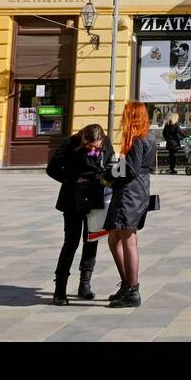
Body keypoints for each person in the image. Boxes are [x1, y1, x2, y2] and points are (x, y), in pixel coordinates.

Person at [47, 123, 113, 305]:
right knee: (71, 242)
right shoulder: (70, 143)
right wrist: (72, 179)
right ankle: (59, 289)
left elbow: (108, 163)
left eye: (97, 146)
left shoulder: (106, 144)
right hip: (73, 198)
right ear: (83, 139)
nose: (94, 149)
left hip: (94, 196)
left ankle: (85, 284)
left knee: (91, 240)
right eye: (91, 146)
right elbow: (51, 169)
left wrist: (105, 175)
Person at [104, 102, 155, 309]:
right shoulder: (149, 136)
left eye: (125, 115)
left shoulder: (137, 139)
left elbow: (131, 170)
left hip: (130, 192)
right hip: (138, 189)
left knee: (128, 239)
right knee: (114, 237)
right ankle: (126, 284)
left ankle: (132, 290)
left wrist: (109, 175)